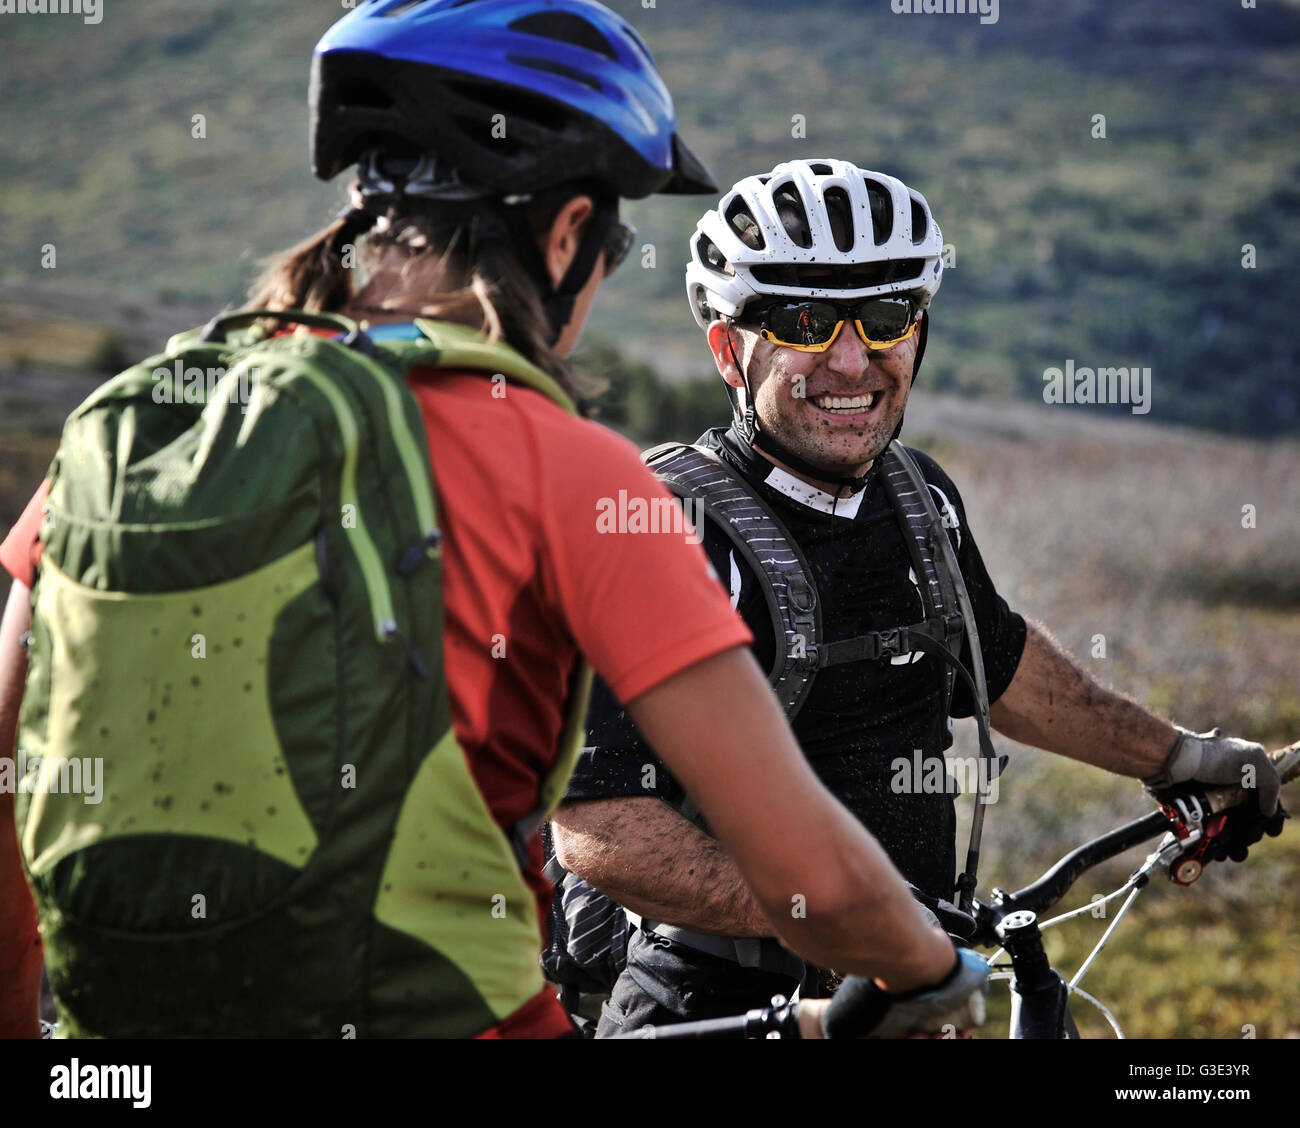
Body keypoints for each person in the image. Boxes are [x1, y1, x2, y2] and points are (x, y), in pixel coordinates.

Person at [0, 5, 983, 1039]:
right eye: (608, 246)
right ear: (565, 235)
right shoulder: (571, 472)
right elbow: (810, 874)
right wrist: (925, 969)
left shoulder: (136, 424)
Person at [549, 157, 1286, 1037]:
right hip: (716, 1008)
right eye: (806, 322)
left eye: (888, 317)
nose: (852, 361)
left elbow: (1004, 668)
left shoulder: (916, 497)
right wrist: (849, 917)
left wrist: (1181, 758)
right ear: (726, 350)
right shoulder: (664, 528)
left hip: (913, 1003)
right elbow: (601, 831)